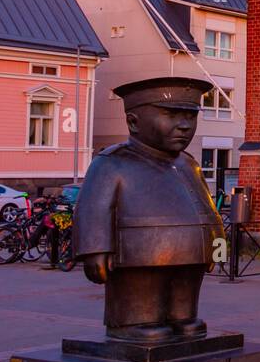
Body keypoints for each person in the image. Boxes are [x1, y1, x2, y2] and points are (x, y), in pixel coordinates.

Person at [72, 77, 225, 342]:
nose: (184, 125)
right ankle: (134, 321)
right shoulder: (112, 163)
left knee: (185, 287)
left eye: (190, 116)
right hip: (138, 254)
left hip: (191, 251)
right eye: (170, 115)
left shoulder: (189, 165)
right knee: (144, 288)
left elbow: (207, 206)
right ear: (134, 122)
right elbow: (93, 209)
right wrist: (95, 249)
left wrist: (216, 244)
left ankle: (182, 317)